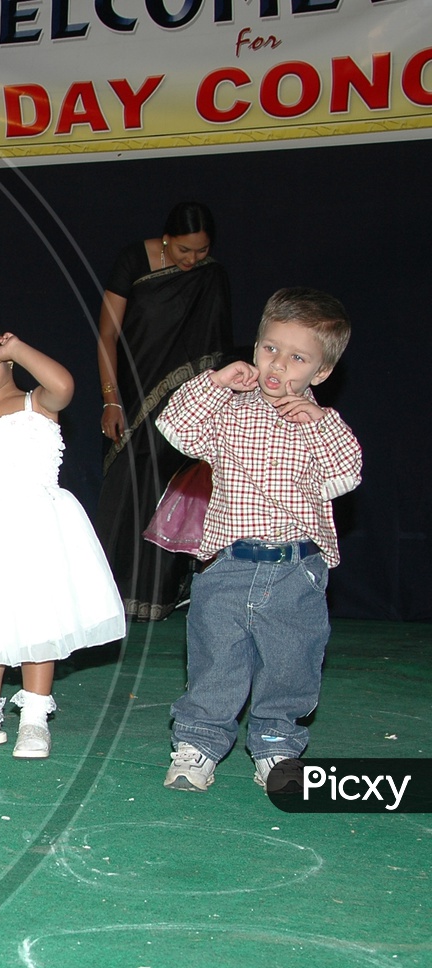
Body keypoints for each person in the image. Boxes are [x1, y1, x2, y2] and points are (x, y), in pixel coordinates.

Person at [156, 288, 361, 793]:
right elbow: (174, 427)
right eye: (270, 348)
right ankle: (199, 743)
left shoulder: (321, 426)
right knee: (215, 656)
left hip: (296, 567)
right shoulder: (229, 408)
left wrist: (322, 428)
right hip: (228, 564)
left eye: (297, 358)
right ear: (255, 345)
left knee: (291, 660)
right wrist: (216, 383)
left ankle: (277, 747)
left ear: (321, 371)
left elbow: (346, 476)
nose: (278, 365)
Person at [0, 321, 126, 758]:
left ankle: (34, 718)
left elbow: (64, 385)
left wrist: (19, 348)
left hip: (32, 529)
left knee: (38, 621)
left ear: (3, 350)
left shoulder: (35, 402)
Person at [95, 201, 233, 622]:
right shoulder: (134, 260)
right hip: (134, 394)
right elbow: (107, 335)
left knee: (169, 491)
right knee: (126, 490)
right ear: (167, 238)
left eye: (202, 250)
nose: (192, 260)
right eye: (184, 251)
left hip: (187, 403)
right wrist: (111, 399)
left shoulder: (211, 277)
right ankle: (105, 600)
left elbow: (216, 350)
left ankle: (156, 597)